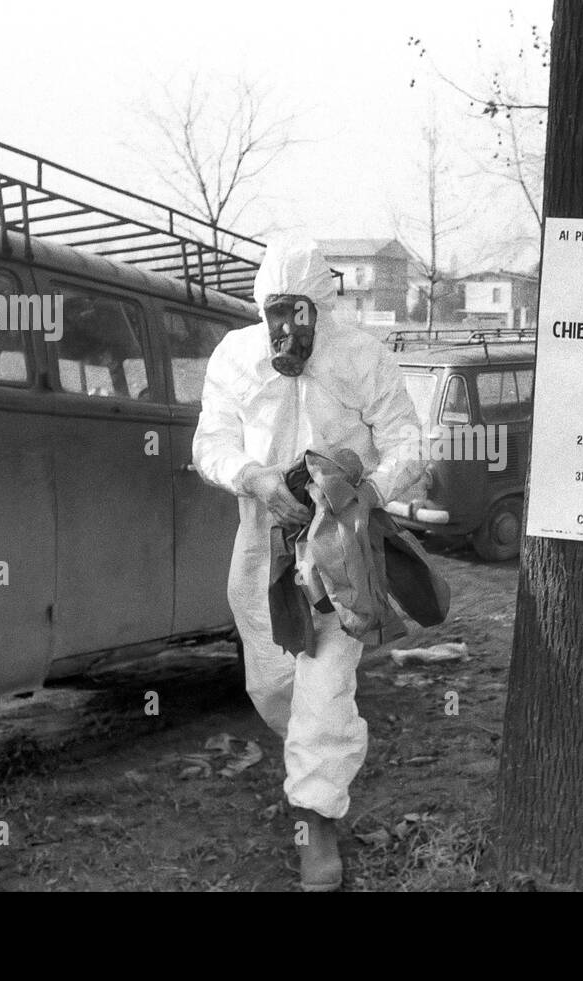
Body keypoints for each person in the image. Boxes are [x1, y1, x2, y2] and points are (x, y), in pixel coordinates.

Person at [192, 238, 422, 891]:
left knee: (321, 689)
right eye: (275, 314)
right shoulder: (235, 357)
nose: (287, 331)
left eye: (299, 315)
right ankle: (320, 751)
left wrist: (370, 491)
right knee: (271, 686)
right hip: (261, 540)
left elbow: (409, 440)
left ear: (321, 307)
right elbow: (211, 439)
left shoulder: (361, 356)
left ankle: (315, 825)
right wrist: (254, 478)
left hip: (338, 543)